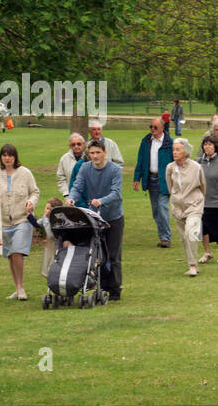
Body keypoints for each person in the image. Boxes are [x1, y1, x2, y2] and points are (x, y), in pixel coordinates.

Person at [67, 140, 124, 299]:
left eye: (98, 153)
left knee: (113, 255)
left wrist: (101, 201)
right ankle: (101, 286)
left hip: (113, 217)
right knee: (97, 254)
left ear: (105, 153)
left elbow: (116, 193)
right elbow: (77, 187)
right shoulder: (85, 168)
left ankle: (115, 289)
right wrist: (71, 198)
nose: (95, 156)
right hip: (95, 218)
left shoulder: (114, 170)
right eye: (92, 153)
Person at [0, 143, 40, 300]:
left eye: (10, 155)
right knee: (10, 255)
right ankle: (17, 287)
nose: (7, 158)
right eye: (4, 155)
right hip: (3, 221)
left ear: (15, 157)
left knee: (17, 251)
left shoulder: (25, 173)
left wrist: (31, 202)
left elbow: (34, 191)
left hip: (22, 219)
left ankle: (21, 287)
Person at [166, 138, 205, 276]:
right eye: (173, 149)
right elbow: (171, 187)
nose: (174, 152)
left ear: (186, 151)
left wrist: (198, 201)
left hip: (194, 205)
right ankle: (192, 263)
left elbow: (202, 186)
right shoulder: (170, 167)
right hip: (178, 207)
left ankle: (193, 266)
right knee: (184, 238)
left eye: (178, 149)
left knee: (191, 233)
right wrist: (176, 201)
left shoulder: (196, 167)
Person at [133, 116, 174, 247]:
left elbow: (176, 162)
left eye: (155, 127)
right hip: (151, 179)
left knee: (162, 207)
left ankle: (166, 238)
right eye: (151, 127)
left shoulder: (170, 143)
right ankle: (163, 236)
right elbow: (140, 160)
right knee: (156, 211)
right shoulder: (145, 141)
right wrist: (136, 179)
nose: (152, 129)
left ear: (162, 128)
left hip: (165, 180)